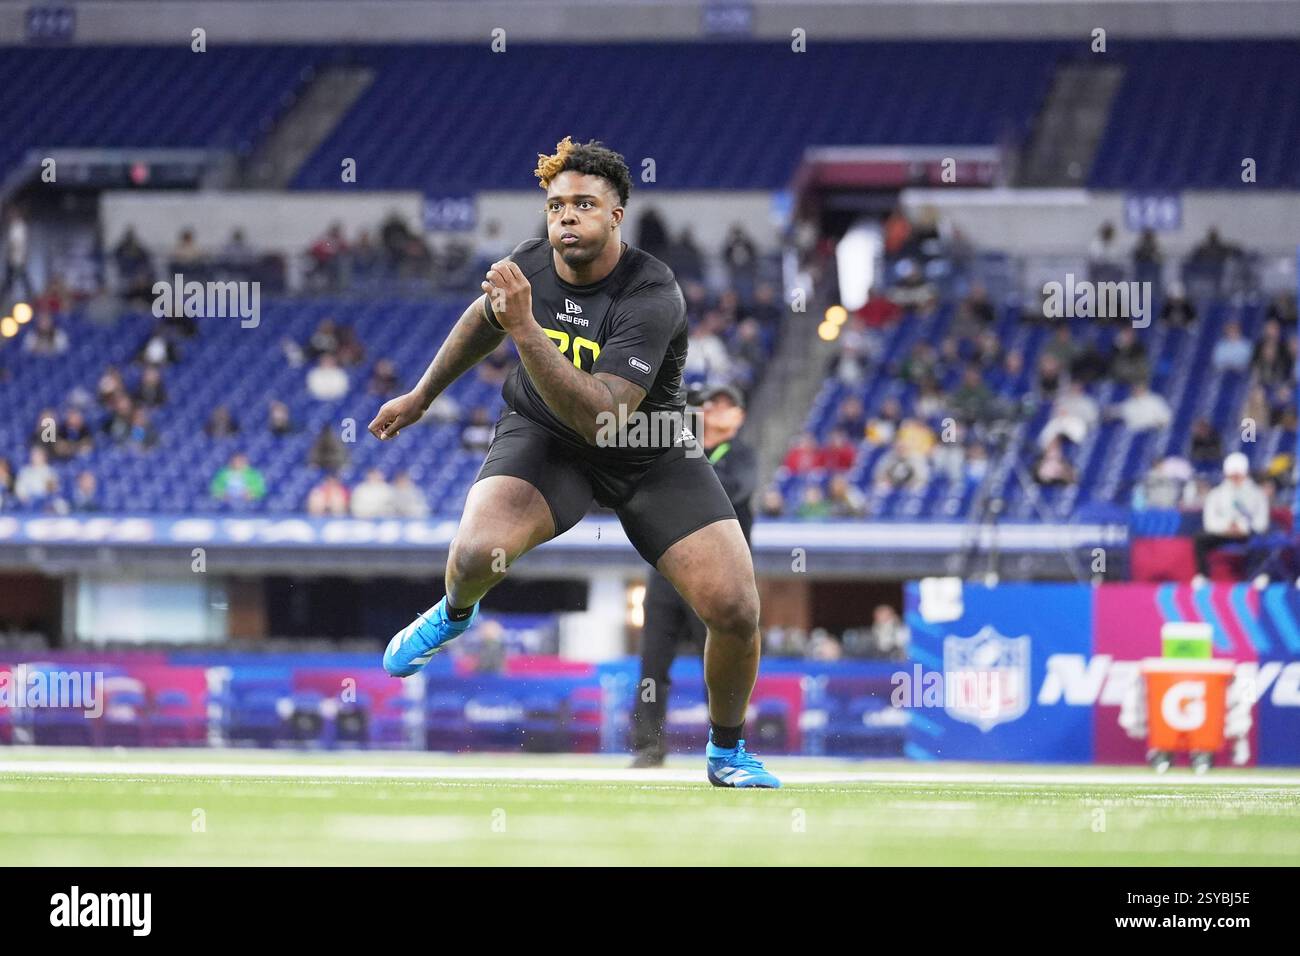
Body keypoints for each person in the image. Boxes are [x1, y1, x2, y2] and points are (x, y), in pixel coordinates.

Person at [368, 137, 778, 787]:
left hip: (650, 449)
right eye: (556, 204)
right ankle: (454, 611)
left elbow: (603, 415)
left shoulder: (651, 292)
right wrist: (422, 396)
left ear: (616, 215)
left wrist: (526, 328)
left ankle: (727, 752)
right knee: (476, 555)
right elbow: (484, 317)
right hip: (546, 439)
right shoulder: (529, 264)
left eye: (584, 204)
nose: (566, 216)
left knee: (735, 608)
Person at [629, 383, 757, 767]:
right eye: (709, 404)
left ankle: (727, 745)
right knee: (652, 664)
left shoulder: (741, 456)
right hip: (667, 572)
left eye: (727, 405)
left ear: (740, 417)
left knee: (720, 664)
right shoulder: (677, 448)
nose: (716, 409)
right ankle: (648, 747)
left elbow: (731, 490)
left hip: (716, 576)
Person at [1194, 452, 1270, 587]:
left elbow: (1261, 522)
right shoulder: (1216, 494)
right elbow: (1209, 521)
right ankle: (1203, 576)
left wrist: (1242, 527)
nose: (1235, 478)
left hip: (1247, 533)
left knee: (1264, 537)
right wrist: (1227, 527)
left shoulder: (1257, 494)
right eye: (1232, 475)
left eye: (1238, 475)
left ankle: (1260, 574)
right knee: (1200, 538)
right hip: (1222, 533)